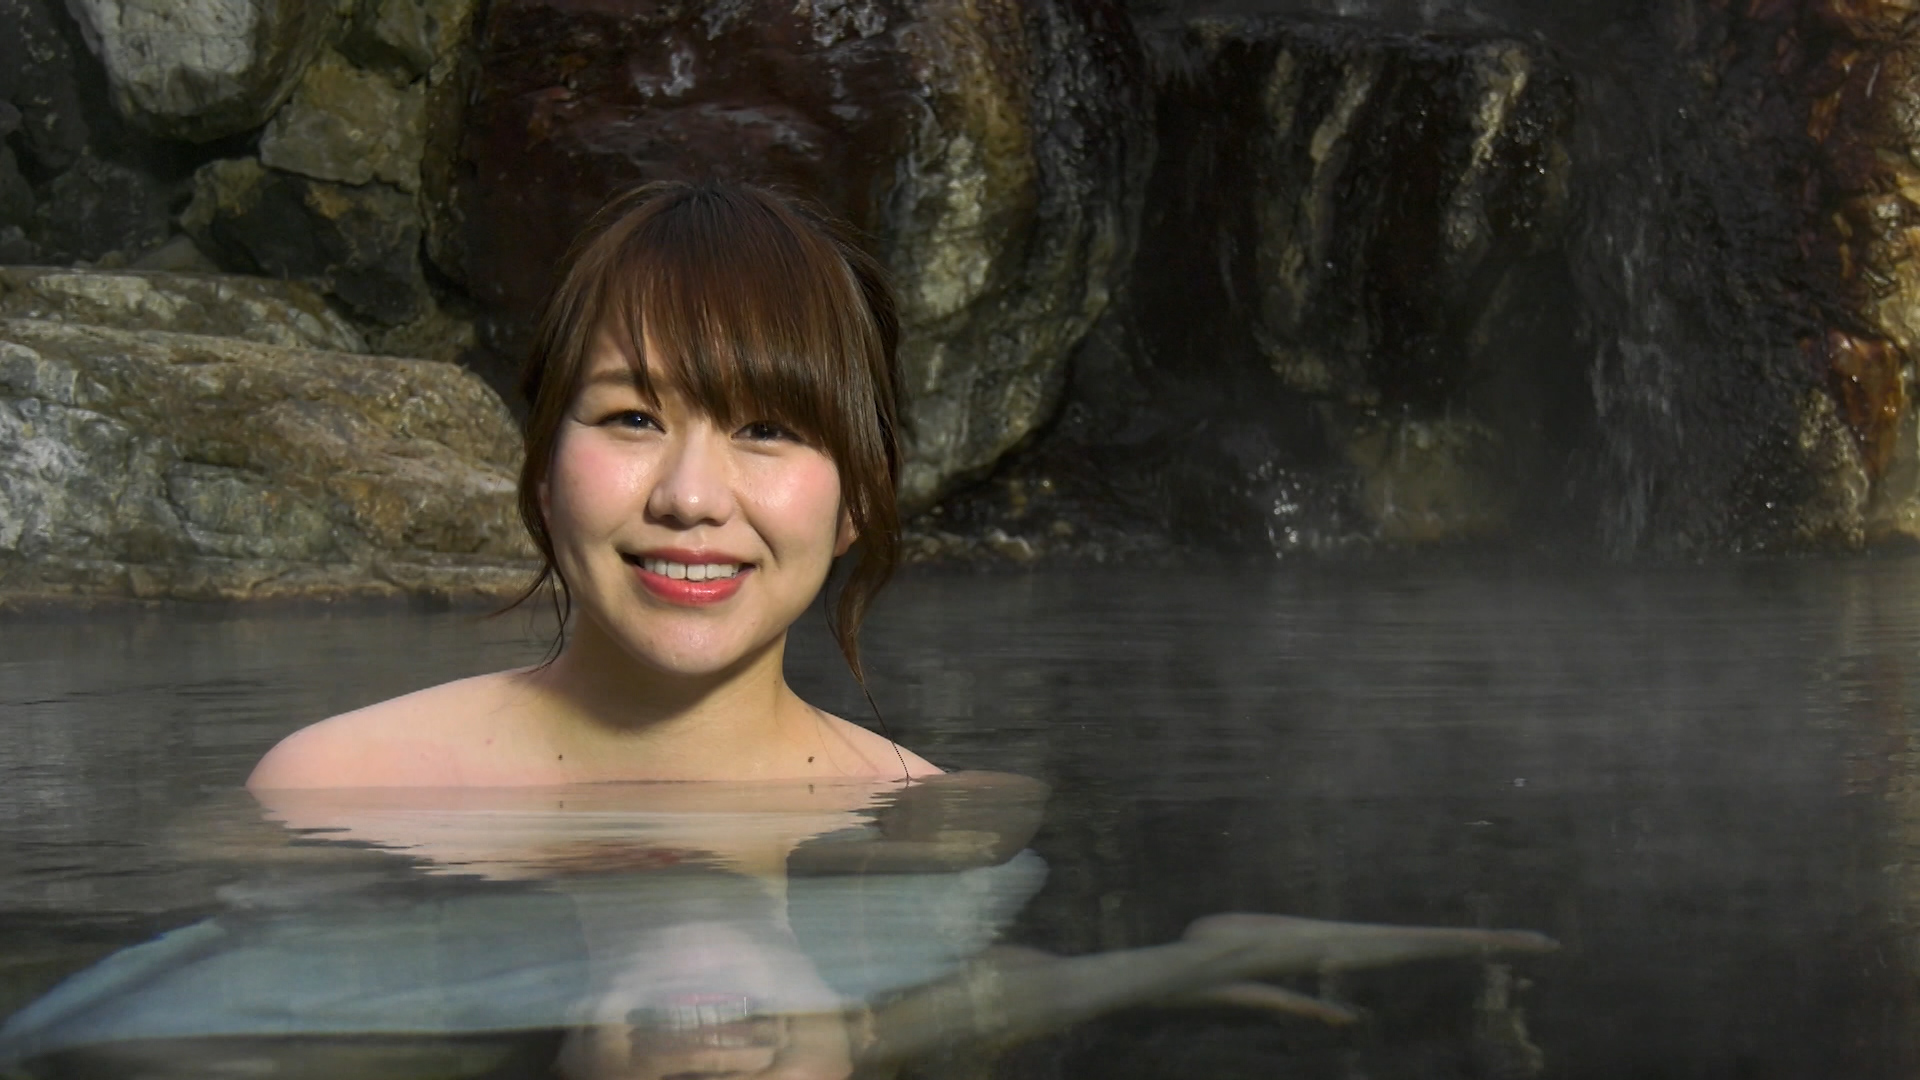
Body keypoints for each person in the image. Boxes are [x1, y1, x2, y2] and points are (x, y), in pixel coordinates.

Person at [249, 181, 939, 789]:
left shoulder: (923, 846)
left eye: (767, 431)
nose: (690, 498)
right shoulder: (332, 793)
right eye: (634, 418)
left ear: (860, 498)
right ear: (544, 469)